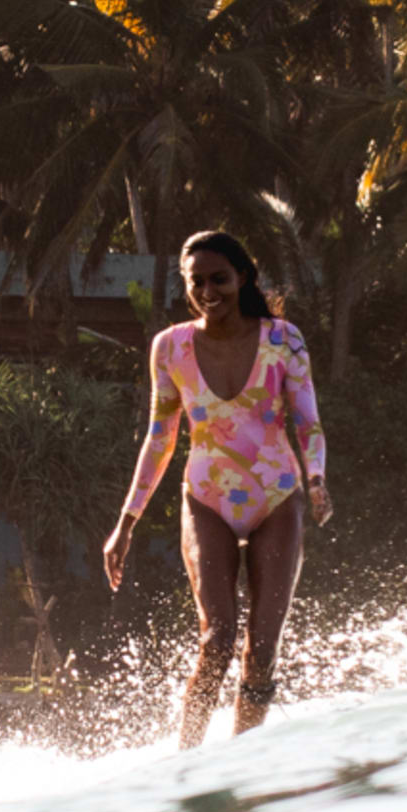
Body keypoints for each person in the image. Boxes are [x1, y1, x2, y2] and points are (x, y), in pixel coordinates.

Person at [102, 229, 332, 744]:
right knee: (218, 638)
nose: (208, 292)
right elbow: (160, 438)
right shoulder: (170, 347)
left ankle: (241, 757)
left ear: (243, 276)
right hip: (207, 499)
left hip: (277, 498)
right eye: (197, 282)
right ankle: (187, 760)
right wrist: (126, 523)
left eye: (219, 279)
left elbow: (308, 422)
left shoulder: (283, 339)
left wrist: (316, 479)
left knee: (262, 648)